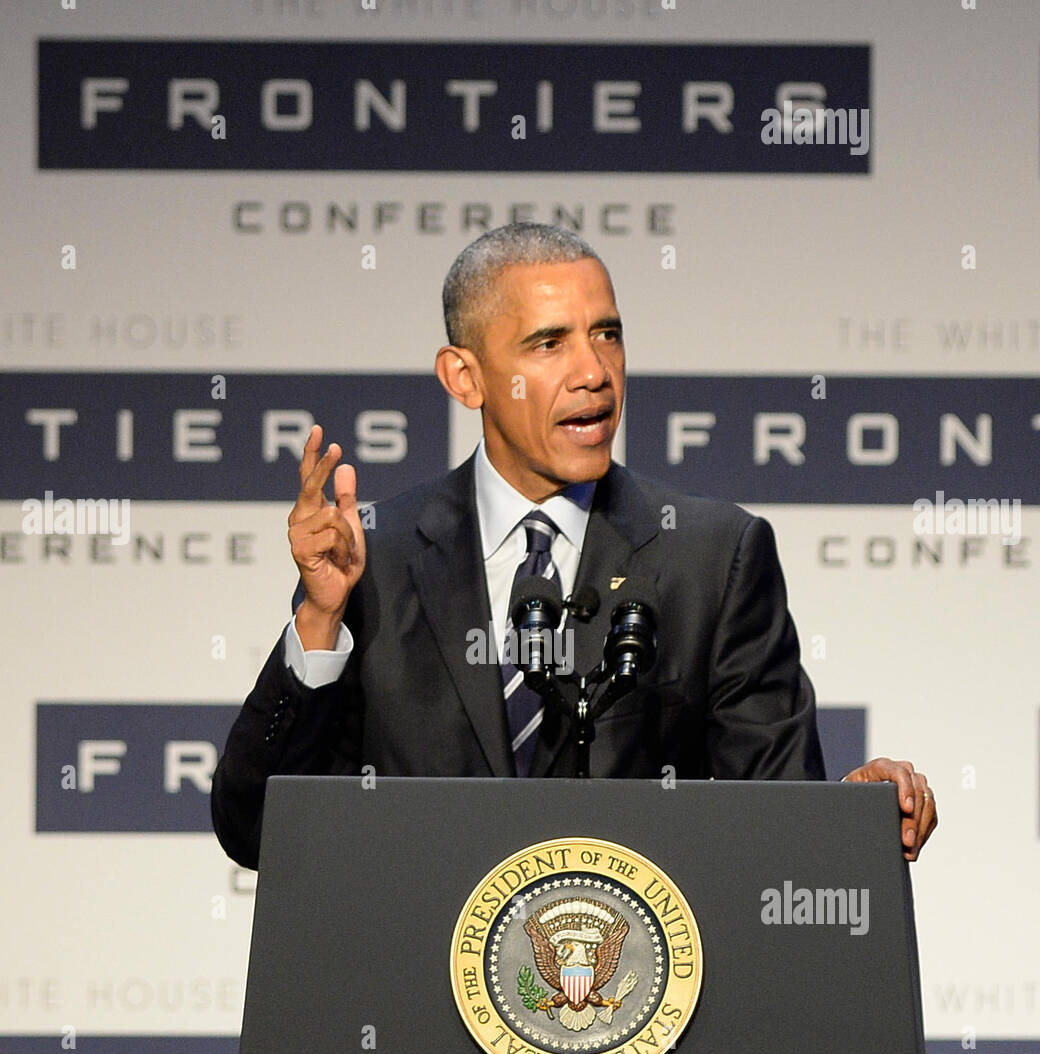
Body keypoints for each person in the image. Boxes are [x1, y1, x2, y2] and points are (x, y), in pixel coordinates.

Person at [211, 223, 937, 871]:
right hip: (417, 1007)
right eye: (549, 343)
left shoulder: (712, 558)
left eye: (608, 334)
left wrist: (849, 821)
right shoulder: (376, 560)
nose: (594, 372)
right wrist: (318, 621)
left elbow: (778, 831)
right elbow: (256, 829)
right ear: (465, 377)